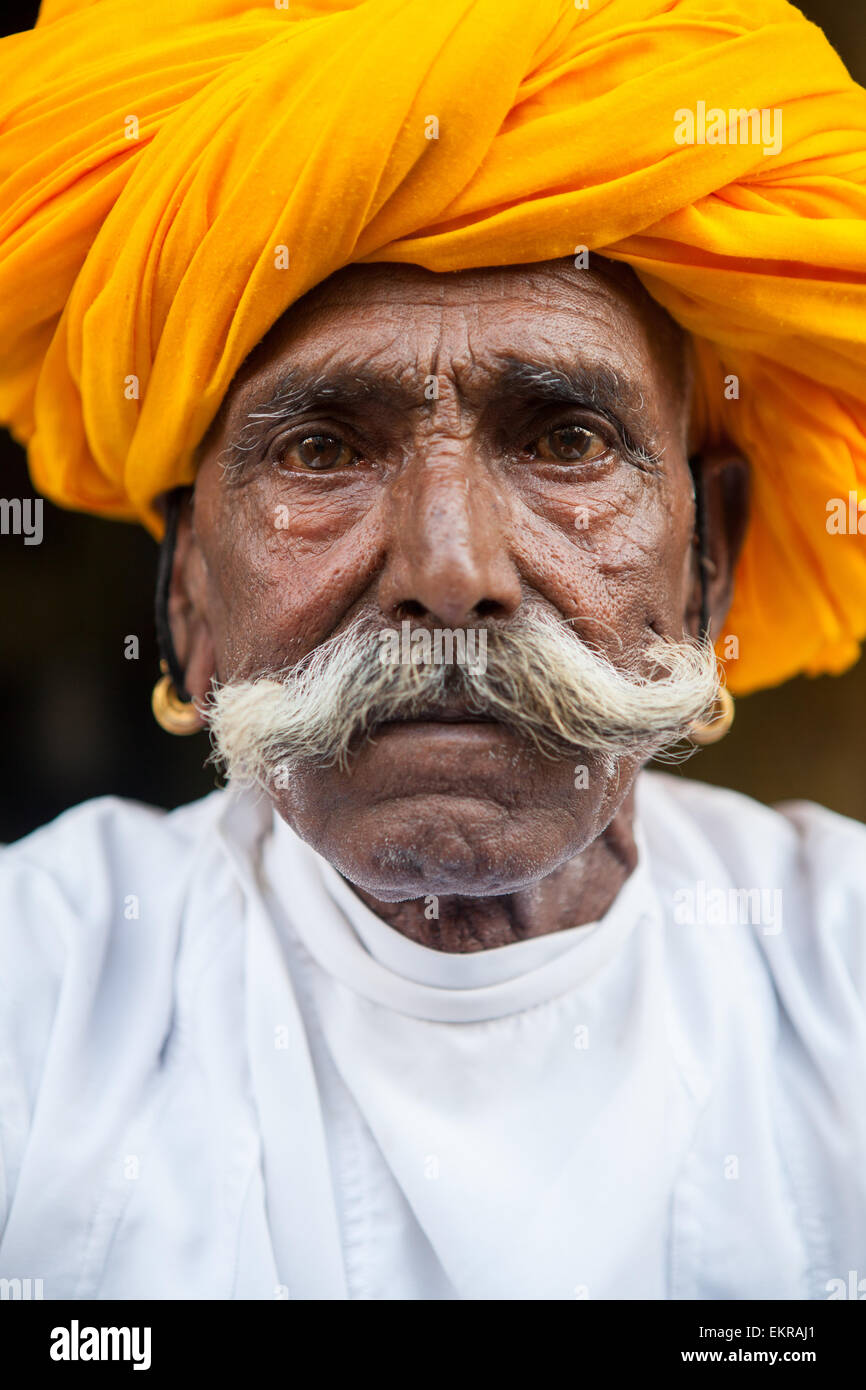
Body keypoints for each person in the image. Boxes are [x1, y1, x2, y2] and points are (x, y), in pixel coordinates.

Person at [0, 0, 864, 1300]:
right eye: (321, 448)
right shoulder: (41, 988)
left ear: (704, 565)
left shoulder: (839, 967)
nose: (448, 572)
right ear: (186, 593)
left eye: (565, 439)